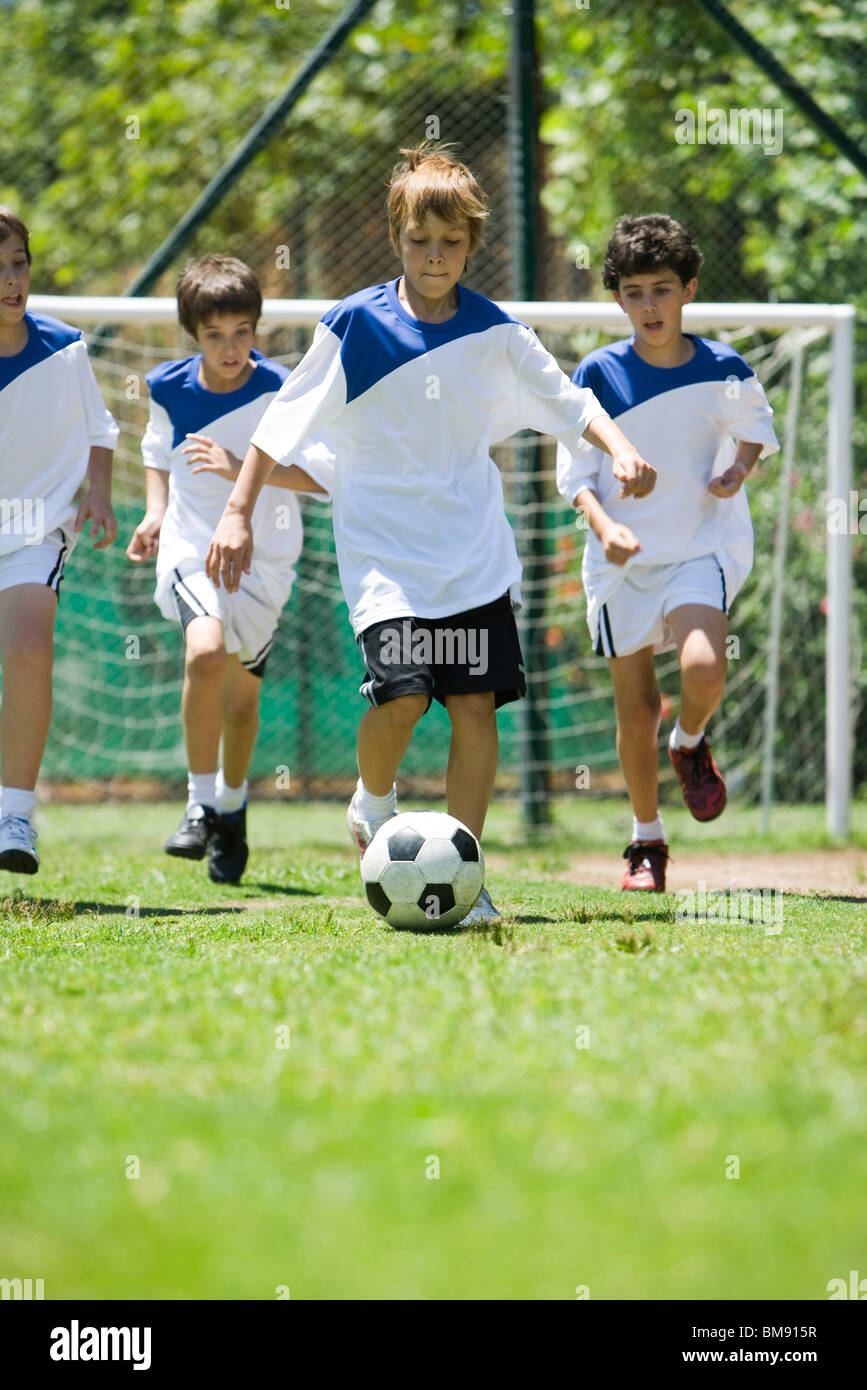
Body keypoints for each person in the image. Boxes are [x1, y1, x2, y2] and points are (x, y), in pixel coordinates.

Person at [206, 146, 654, 923]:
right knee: (405, 701)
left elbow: (567, 401)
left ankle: (463, 876)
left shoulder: (498, 334)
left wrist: (620, 449)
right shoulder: (352, 325)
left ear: (470, 245)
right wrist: (239, 508)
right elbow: (280, 426)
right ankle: (370, 800)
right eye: (420, 240)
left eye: (450, 241)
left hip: (472, 555)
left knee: (475, 706)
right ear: (396, 238)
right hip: (384, 558)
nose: (434, 254)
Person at [556, 214, 779, 891]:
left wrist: (737, 470)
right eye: (632, 292)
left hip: (697, 548)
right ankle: (645, 843)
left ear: (687, 289)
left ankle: (687, 742)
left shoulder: (723, 367)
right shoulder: (595, 373)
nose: (648, 305)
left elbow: (752, 432)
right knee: (632, 705)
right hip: (620, 562)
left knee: (704, 667)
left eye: (660, 289)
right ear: (616, 298)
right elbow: (574, 481)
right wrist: (605, 530)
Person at [127, 254, 332, 883]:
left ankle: (233, 809)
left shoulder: (280, 388)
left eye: (242, 332)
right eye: (215, 335)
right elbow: (157, 451)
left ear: (256, 328)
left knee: (243, 703)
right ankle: (198, 803)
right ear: (194, 333)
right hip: (191, 546)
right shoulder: (167, 387)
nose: (231, 347)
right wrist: (156, 513)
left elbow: (321, 478)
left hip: (264, 561)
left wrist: (240, 463)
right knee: (203, 655)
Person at [0, 206, 119, 874]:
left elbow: (101, 430)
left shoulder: (66, 348)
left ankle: (14, 813)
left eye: (19, 263)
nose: (12, 280)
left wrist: (97, 493)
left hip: (33, 529)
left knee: (26, 647)